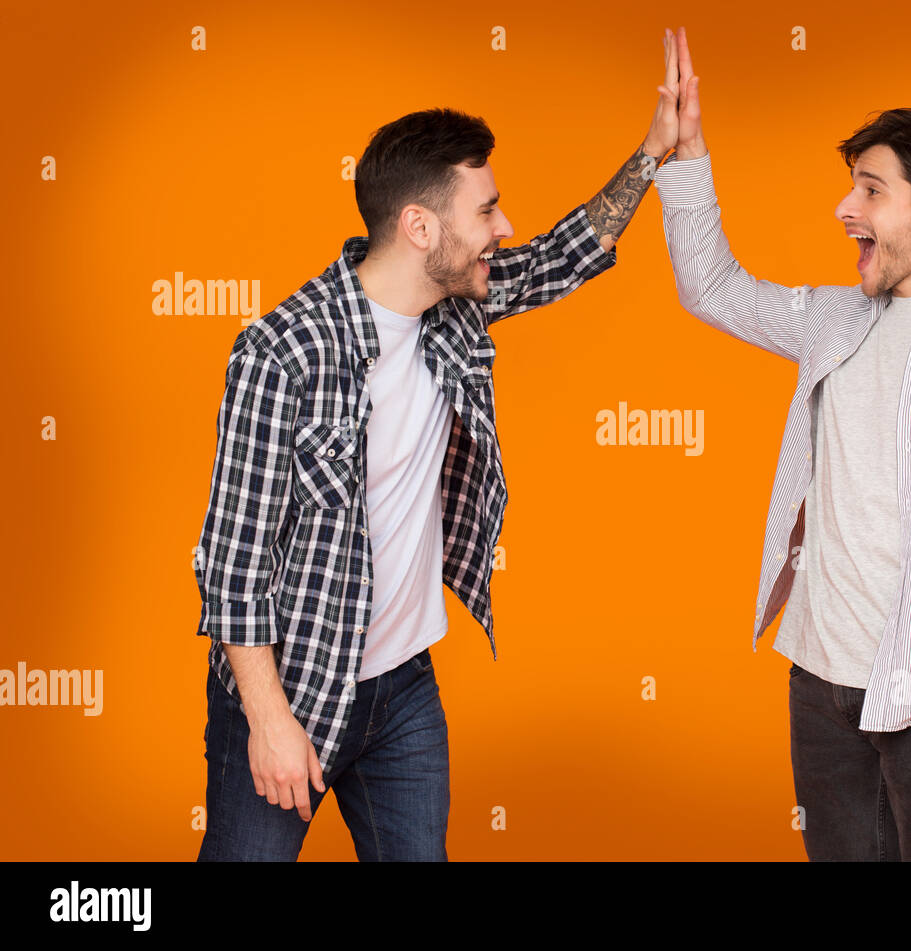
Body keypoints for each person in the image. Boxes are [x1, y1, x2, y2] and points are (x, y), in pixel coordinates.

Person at [193, 32, 686, 861]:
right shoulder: (284, 349)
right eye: (486, 209)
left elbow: (566, 255)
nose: (505, 226)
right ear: (420, 226)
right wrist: (270, 722)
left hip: (404, 689)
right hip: (295, 689)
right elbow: (233, 559)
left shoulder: (456, 306)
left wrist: (654, 152)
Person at [653, 26, 911, 860]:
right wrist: (686, 153)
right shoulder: (832, 318)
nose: (846, 209)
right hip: (818, 682)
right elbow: (710, 284)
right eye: (852, 188)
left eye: (871, 192)